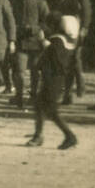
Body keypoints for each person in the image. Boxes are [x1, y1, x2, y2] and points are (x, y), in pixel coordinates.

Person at [27, 14, 79, 150]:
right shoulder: (70, 41)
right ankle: (38, 135)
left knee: (51, 110)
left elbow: (48, 59)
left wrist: (43, 42)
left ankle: (69, 136)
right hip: (59, 79)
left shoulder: (56, 41)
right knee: (41, 105)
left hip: (51, 79)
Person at [11, 0, 50, 110]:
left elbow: (47, 22)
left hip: (36, 43)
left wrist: (34, 29)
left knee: (35, 72)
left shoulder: (40, 2)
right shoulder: (15, 1)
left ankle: (33, 96)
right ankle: (19, 97)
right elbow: (10, 19)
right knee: (19, 72)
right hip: (20, 42)